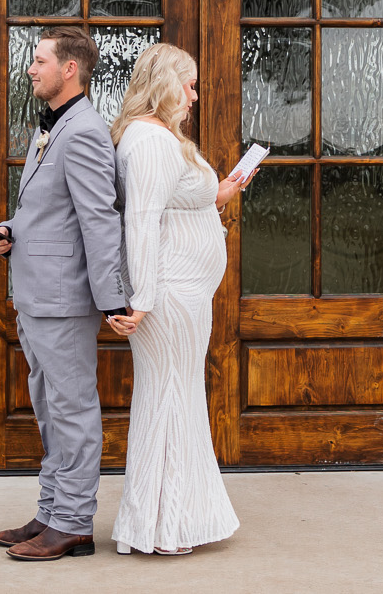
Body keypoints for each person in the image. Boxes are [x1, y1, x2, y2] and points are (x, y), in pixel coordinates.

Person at [0, 26, 130, 562]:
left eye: (40, 60)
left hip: (66, 299)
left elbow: (98, 218)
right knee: (48, 407)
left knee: (71, 410)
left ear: (70, 69)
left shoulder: (86, 131)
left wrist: (113, 299)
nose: (30, 68)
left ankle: (72, 524)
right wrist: (9, 231)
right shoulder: (52, 128)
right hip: (36, 294)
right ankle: (50, 511)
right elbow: (49, 212)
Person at [106, 43, 256, 556]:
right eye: (188, 84)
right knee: (168, 398)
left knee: (178, 397)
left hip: (181, 292)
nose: (194, 94)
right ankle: (159, 526)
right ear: (165, 83)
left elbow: (177, 201)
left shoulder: (162, 138)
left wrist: (224, 189)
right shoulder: (148, 141)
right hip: (167, 295)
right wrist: (142, 297)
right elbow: (140, 219)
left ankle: (171, 520)